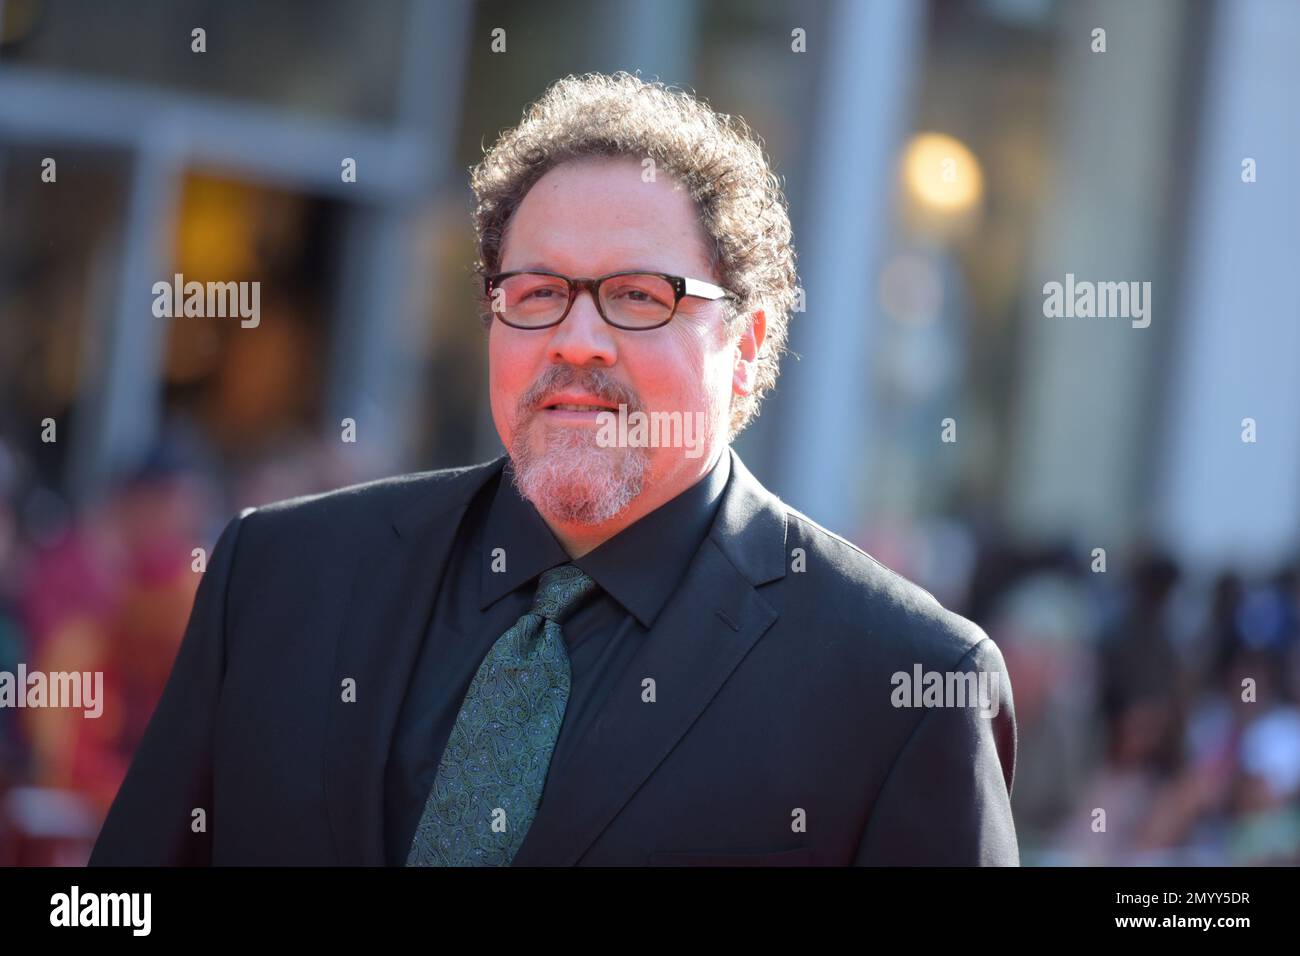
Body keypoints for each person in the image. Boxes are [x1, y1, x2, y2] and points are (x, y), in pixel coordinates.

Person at [90, 71, 1017, 866]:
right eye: (536, 293)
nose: (576, 342)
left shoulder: (902, 686)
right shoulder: (280, 575)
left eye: (637, 297)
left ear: (747, 342)